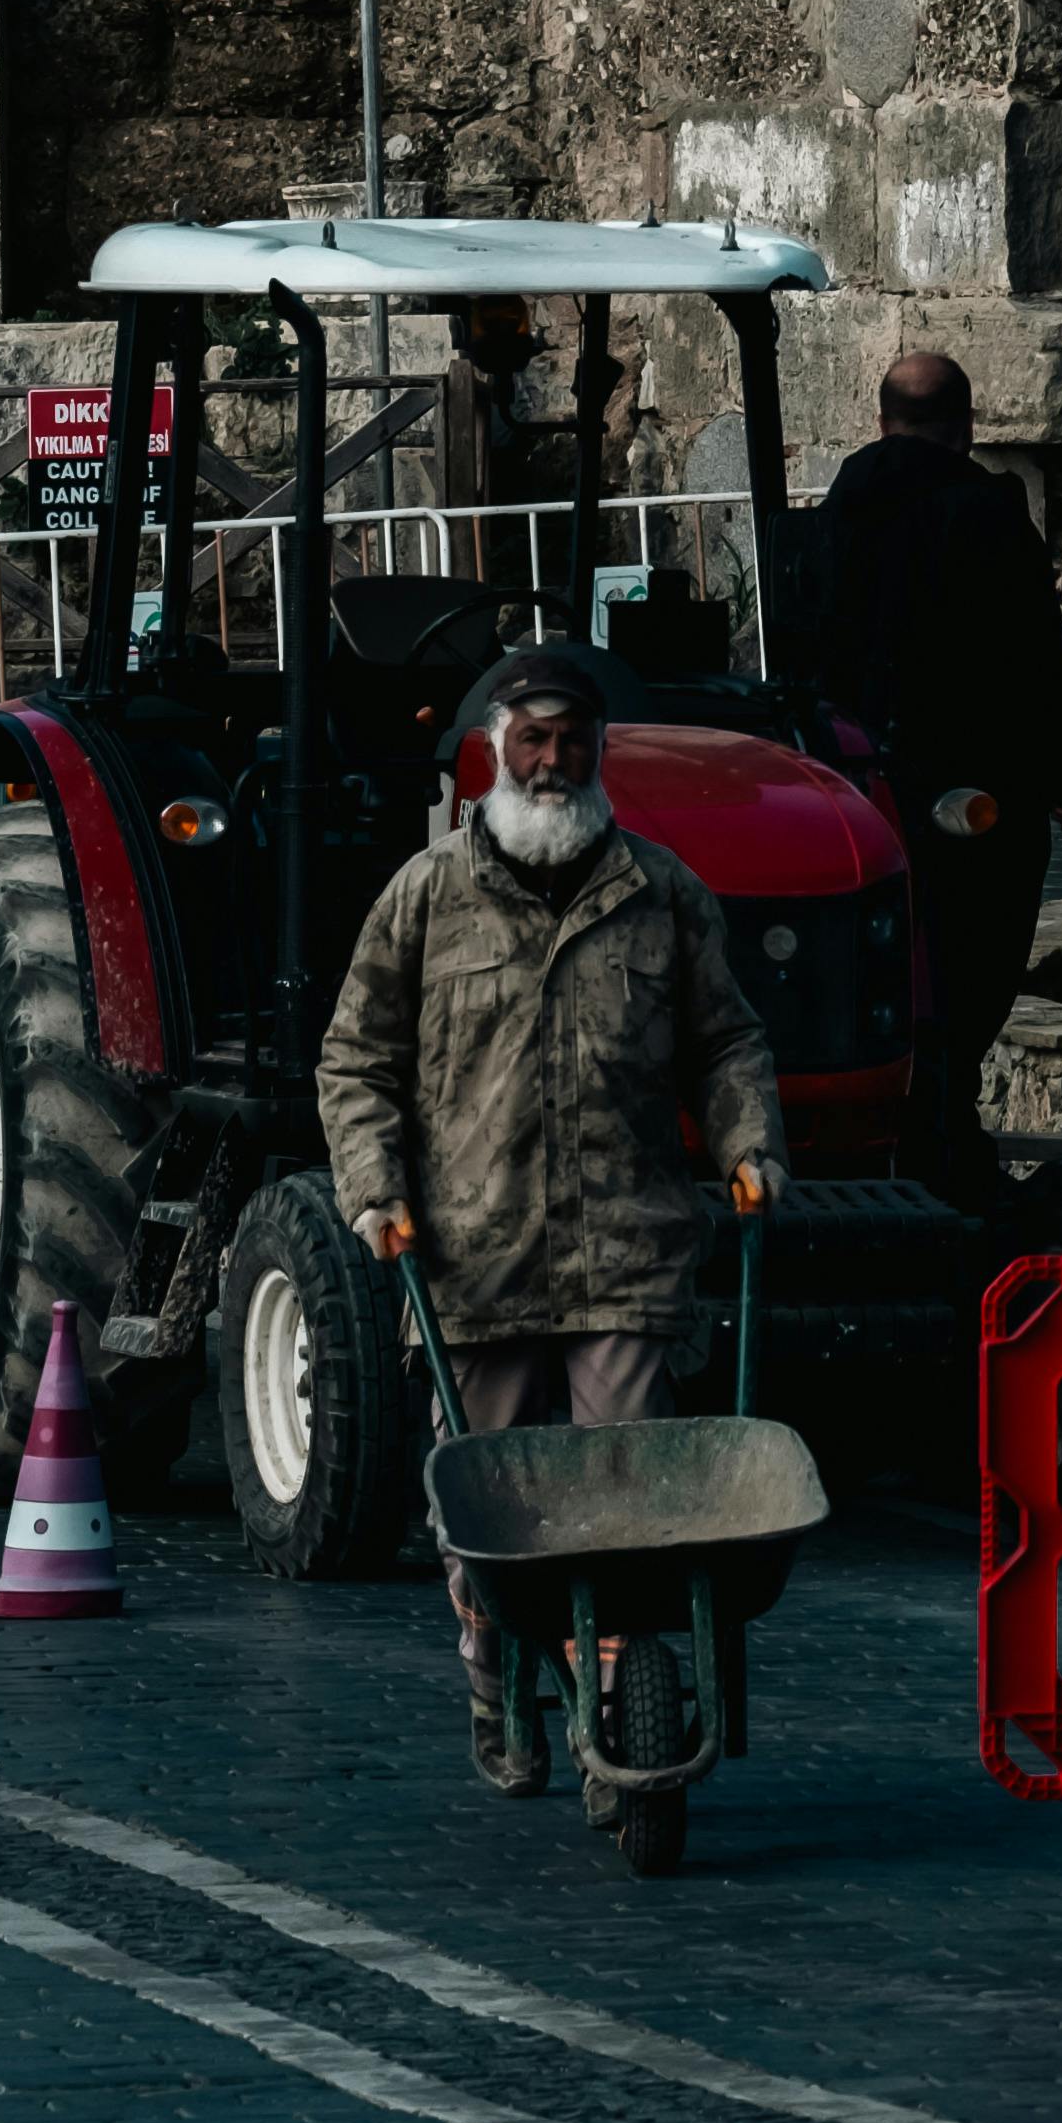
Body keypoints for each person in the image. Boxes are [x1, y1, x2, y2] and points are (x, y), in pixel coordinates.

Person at [317, 635, 784, 1788]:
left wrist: (750, 1143)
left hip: (625, 1252)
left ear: (598, 752)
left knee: (626, 1501)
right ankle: (493, 1675)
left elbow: (727, 1042)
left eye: (573, 741)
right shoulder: (426, 898)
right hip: (473, 1258)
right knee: (495, 1509)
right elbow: (356, 1060)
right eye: (532, 740)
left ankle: (619, 1692)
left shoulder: (658, 892)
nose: (552, 761)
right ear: (492, 754)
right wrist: (373, 1189)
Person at [788, 344, 1062, 1187]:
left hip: (851, 778)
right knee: (974, 951)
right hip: (969, 780)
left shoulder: (829, 518)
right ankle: (946, 1119)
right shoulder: (985, 515)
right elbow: (1032, 649)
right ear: (965, 427)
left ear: (882, 422)